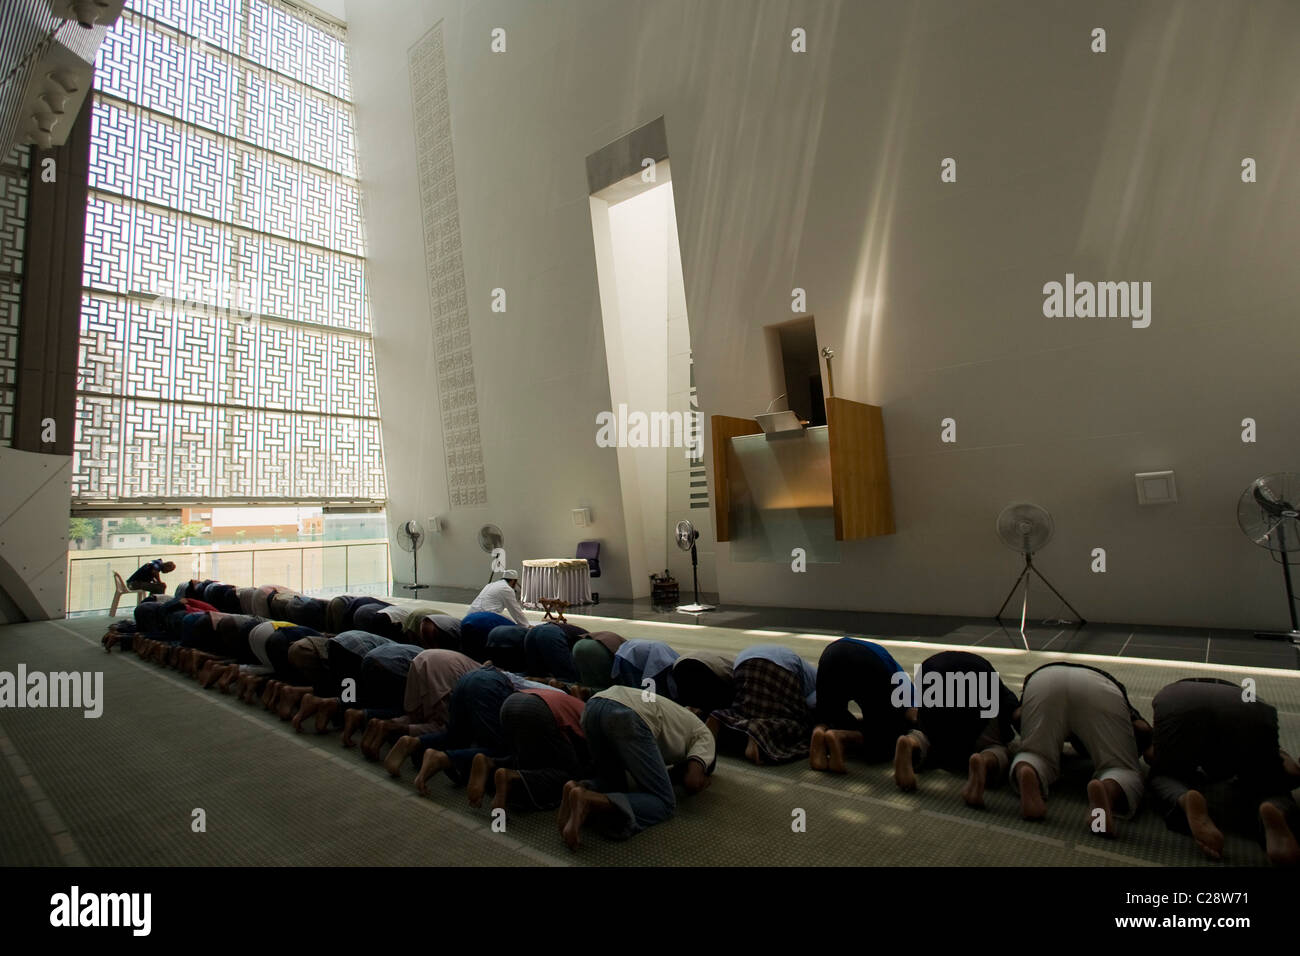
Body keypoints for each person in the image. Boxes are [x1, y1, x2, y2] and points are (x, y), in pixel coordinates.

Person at [1146, 677, 1300, 864]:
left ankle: (1184, 798)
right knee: (1268, 785)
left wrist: (1163, 757)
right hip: (1250, 710)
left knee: (1165, 775)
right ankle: (1275, 810)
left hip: (1177, 702)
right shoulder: (1243, 695)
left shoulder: (1175, 690)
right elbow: (1291, 769)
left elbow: (1155, 753)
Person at [558, 684, 715, 848]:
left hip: (594, 706)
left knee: (612, 784)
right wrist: (704, 780)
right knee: (664, 803)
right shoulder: (705, 733)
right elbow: (692, 781)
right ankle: (587, 799)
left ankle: (577, 787)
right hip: (628, 716)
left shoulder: (679, 714)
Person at [1008, 662, 1149, 835]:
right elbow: (1142, 728)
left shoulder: (1034, 678)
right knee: (1121, 768)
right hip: (1099, 688)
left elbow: (1017, 715)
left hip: (1043, 680)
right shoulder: (1111, 684)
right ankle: (1105, 793)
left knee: (1034, 753)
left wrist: (1031, 735)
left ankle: (1029, 769)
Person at [893, 650, 1019, 805]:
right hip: (977, 677)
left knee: (927, 736)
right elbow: (1011, 707)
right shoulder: (997, 684)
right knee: (998, 748)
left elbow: (916, 710)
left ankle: (911, 742)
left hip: (932, 669)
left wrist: (921, 720)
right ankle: (984, 761)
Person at [809, 637, 912, 773]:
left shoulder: (897, 672)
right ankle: (840, 737)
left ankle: (819, 732)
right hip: (869, 662)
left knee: (828, 713)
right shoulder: (905, 688)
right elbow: (908, 714)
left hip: (832, 653)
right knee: (886, 737)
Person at [482, 688, 588, 812]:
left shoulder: (577, 703)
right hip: (539, 710)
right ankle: (511, 776)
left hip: (511, 702)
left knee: (526, 761)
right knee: (571, 773)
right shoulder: (587, 713)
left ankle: (492, 763)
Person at [708, 644, 817, 764]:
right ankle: (757, 734)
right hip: (779, 669)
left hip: (744, 663)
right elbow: (812, 704)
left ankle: (719, 716)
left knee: (744, 711)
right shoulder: (817, 680)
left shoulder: (806, 668)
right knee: (797, 723)